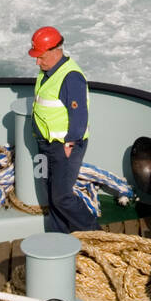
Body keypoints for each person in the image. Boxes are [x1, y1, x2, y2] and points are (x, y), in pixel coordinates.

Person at [29, 26, 100, 234]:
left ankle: (96, 233)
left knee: (62, 196)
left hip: (64, 148)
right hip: (44, 145)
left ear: (55, 51)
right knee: (51, 194)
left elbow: (79, 118)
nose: (37, 62)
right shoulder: (47, 71)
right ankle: (59, 237)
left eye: (40, 57)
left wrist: (70, 144)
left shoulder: (71, 78)